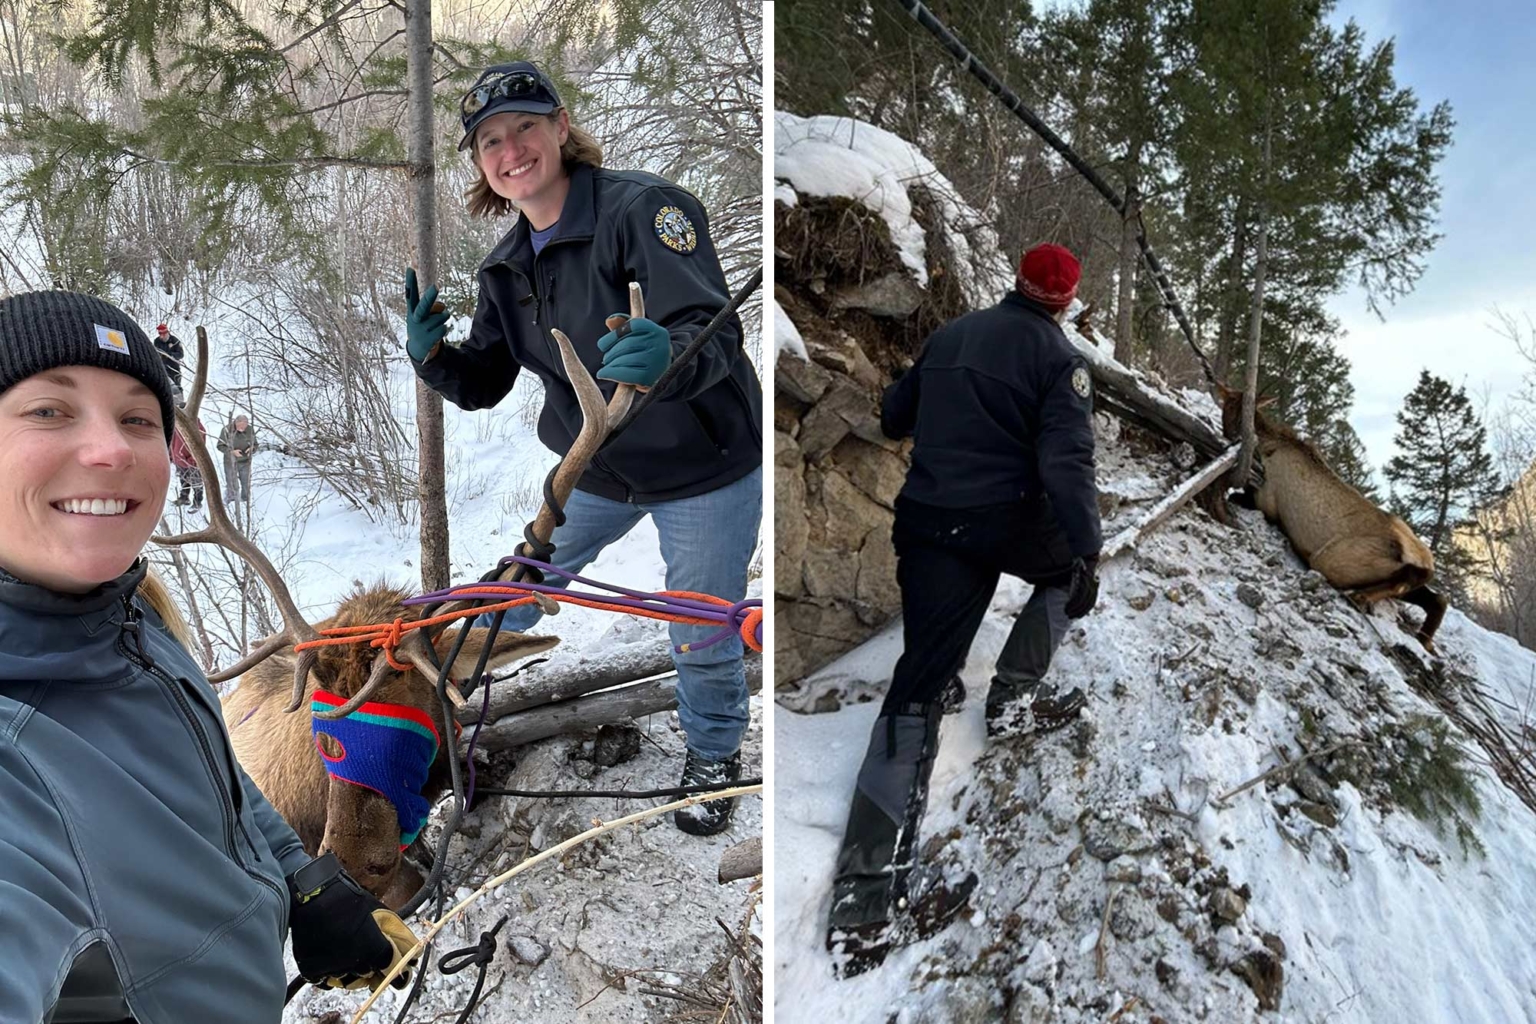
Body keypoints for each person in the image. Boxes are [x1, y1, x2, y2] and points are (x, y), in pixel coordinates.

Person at [0, 290, 416, 1022]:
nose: (110, 450)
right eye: (48, 410)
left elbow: (210, 780)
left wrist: (302, 882)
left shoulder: (135, 619)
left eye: (138, 419)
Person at [404, 61, 762, 836]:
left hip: (703, 464)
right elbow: (484, 382)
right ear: (480, 163)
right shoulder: (505, 267)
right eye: (490, 142)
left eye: (525, 127)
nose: (511, 150)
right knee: (512, 590)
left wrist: (667, 356)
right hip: (598, 468)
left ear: (561, 128)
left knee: (701, 626)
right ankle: (443, 725)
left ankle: (714, 756)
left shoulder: (646, 210)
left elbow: (713, 329)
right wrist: (433, 357)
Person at [825, 243, 1104, 974]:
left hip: (930, 522)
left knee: (917, 683)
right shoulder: (1060, 362)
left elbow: (894, 416)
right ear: (1066, 301)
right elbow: (1066, 462)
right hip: (1007, 523)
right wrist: (1087, 550)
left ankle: (861, 904)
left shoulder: (952, 336)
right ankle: (1012, 698)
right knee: (1064, 577)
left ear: (1018, 281)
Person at [170, 399, 206, 512]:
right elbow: (172, 441)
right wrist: (172, 456)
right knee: (184, 480)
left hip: (192, 462)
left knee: (196, 482)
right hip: (179, 460)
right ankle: (184, 498)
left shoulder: (197, 426)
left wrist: (192, 460)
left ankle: (197, 502)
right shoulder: (175, 425)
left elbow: (200, 447)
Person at [217, 412, 257, 512]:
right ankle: (230, 497)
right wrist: (231, 452)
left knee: (245, 481)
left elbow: (255, 444)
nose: (243, 429)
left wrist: (252, 449)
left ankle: (245, 499)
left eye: (245, 426)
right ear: (236, 422)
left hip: (245, 461)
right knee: (231, 481)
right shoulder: (226, 430)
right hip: (230, 461)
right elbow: (220, 446)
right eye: (241, 427)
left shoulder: (250, 429)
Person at [151, 323, 183, 387]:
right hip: (162, 369)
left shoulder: (175, 341)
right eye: (160, 334)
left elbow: (181, 354)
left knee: (176, 387)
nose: (162, 337)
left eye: (163, 334)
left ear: (167, 333)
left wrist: (170, 355)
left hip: (174, 369)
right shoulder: (157, 341)